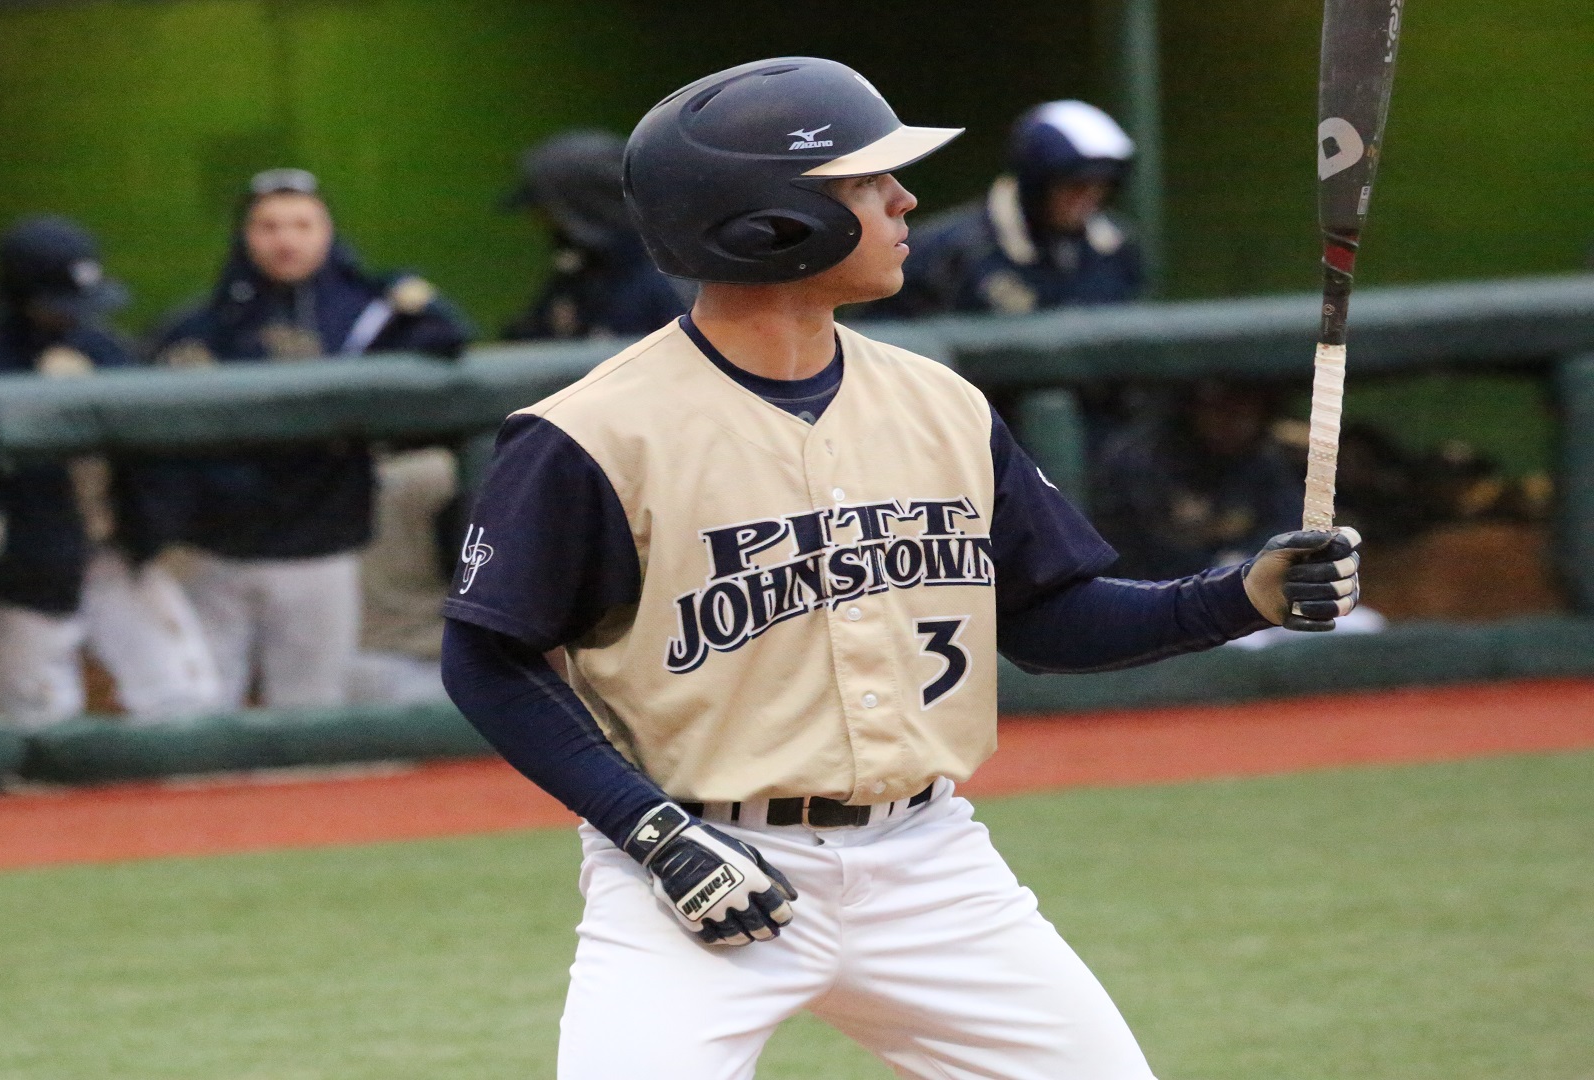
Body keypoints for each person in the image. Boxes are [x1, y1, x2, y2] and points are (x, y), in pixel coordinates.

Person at [438, 58, 1363, 1079]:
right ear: (769, 217)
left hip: (929, 868)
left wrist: (1239, 597)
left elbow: (1047, 617)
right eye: (865, 181)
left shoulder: (943, 403)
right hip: (692, 868)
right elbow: (489, 658)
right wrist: (650, 833)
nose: (905, 199)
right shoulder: (593, 434)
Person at [147, 168, 472, 709]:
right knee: (202, 704)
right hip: (217, 548)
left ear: (327, 232)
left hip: (321, 545)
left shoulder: (368, 313)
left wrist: (389, 286)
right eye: (267, 226)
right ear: (244, 236)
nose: (285, 240)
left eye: (302, 224)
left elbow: (448, 336)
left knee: (310, 707)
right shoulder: (201, 327)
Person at [0, 215, 221, 728]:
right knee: (39, 726)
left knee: (188, 700)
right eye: (57, 305)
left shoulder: (104, 349)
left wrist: (151, 528)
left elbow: (156, 455)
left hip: (111, 553)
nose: (73, 318)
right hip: (20, 575)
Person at [865, 99, 1144, 318]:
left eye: (1101, 187)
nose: (1088, 199)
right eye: (1075, 186)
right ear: (1036, 184)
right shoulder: (949, 252)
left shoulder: (1116, 248)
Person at [1091, 378, 1306, 580]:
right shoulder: (1146, 457)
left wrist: (1244, 558)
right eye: (1218, 410)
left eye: (1241, 412)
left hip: (1246, 585)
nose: (1230, 422)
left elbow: (1289, 525)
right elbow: (1133, 543)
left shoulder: (1261, 460)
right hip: (1157, 592)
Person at [501, 129, 689, 341]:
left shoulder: (669, 282)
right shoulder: (581, 273)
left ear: (580, 209)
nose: (539, 220)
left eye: (545, 209)